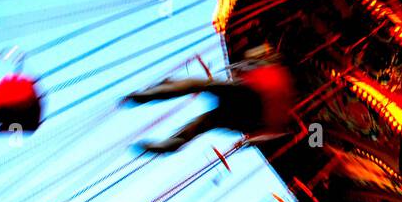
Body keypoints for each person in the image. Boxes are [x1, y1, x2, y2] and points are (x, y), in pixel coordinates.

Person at [124, 50, 296, 154]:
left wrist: (241, 66)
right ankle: (169, 144)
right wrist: (254, 140)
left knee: (202, 85)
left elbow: (244, 69)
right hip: (251, 119)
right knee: (204, 123)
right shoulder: (282, 89)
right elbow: (278, 131)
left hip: (250, 97)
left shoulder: (272, 72)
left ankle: (154, 93)